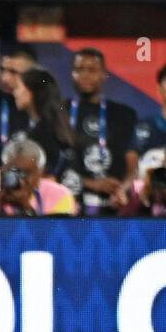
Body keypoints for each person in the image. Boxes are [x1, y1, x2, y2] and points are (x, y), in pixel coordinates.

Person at [62, 47, 140, 215]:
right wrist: (89, 183)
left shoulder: (124, 114)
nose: (85, 75)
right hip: (69, 207)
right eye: (79, 70)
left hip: (113, 207)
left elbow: (133, 163)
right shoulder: (60, 112)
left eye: (92, 70)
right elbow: (50, 167)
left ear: (104, 74)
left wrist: (123, 189)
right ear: (71, 74)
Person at [0, 138, 76, 216]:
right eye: (15, 171)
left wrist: (25, 205)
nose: (20, 180)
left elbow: (54, 237)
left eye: (27, 173)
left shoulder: (59, 194)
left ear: (40, 173)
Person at [14, 67, 73, 179]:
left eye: (18, 88)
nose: (15, 93)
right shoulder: (56, 127)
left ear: (32, 92)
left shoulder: (41, 134)